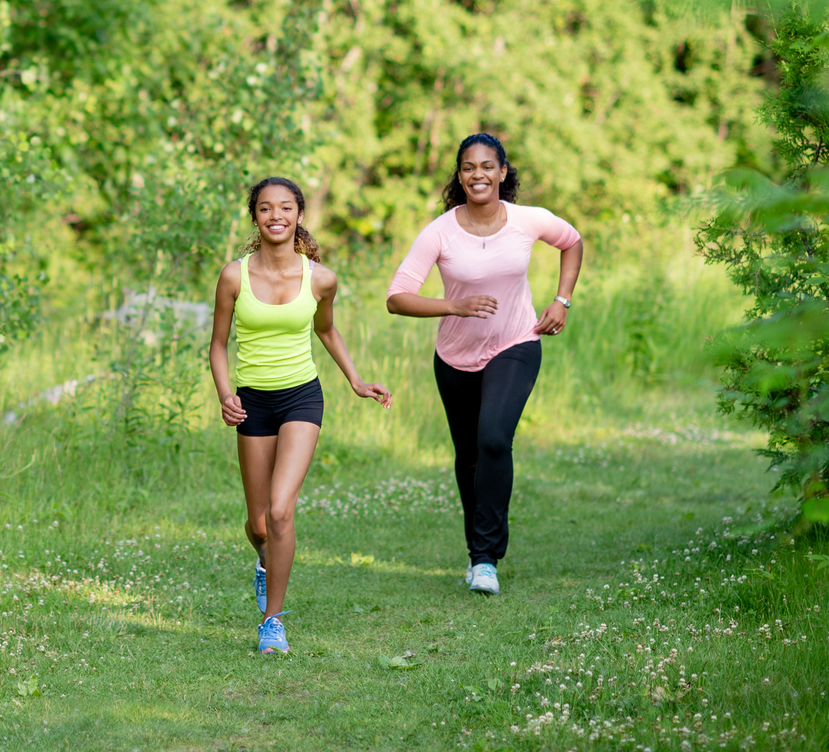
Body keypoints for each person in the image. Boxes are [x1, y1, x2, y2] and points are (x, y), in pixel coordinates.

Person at [386, 133, 583, 596]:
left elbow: (572, 242)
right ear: (460, 176)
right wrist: (452, 307)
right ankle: (477, 551)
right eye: (469, 167)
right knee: (469, 455)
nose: (478, 174)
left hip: (516, 341)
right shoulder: (439, 231)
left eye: (487, 166)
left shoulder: (527, 220)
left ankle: (486, 559)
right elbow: (397, 298)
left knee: (493, 437)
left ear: (502, 172)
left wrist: (562, 299)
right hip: (454, 356)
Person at [209, 176, 392, 653]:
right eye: (266, 208)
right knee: (258, 525)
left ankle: (273, 622)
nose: (276, 216)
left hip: (301, 399)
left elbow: (327, 332)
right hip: (252, 402)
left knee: (281, 510)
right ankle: (267, 560)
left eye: (285, 208)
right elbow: (217, 345)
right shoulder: (234, 276)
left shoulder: (321, 278)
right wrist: (226, 395)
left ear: (299, 215)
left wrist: (356, 380)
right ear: (255, 217)